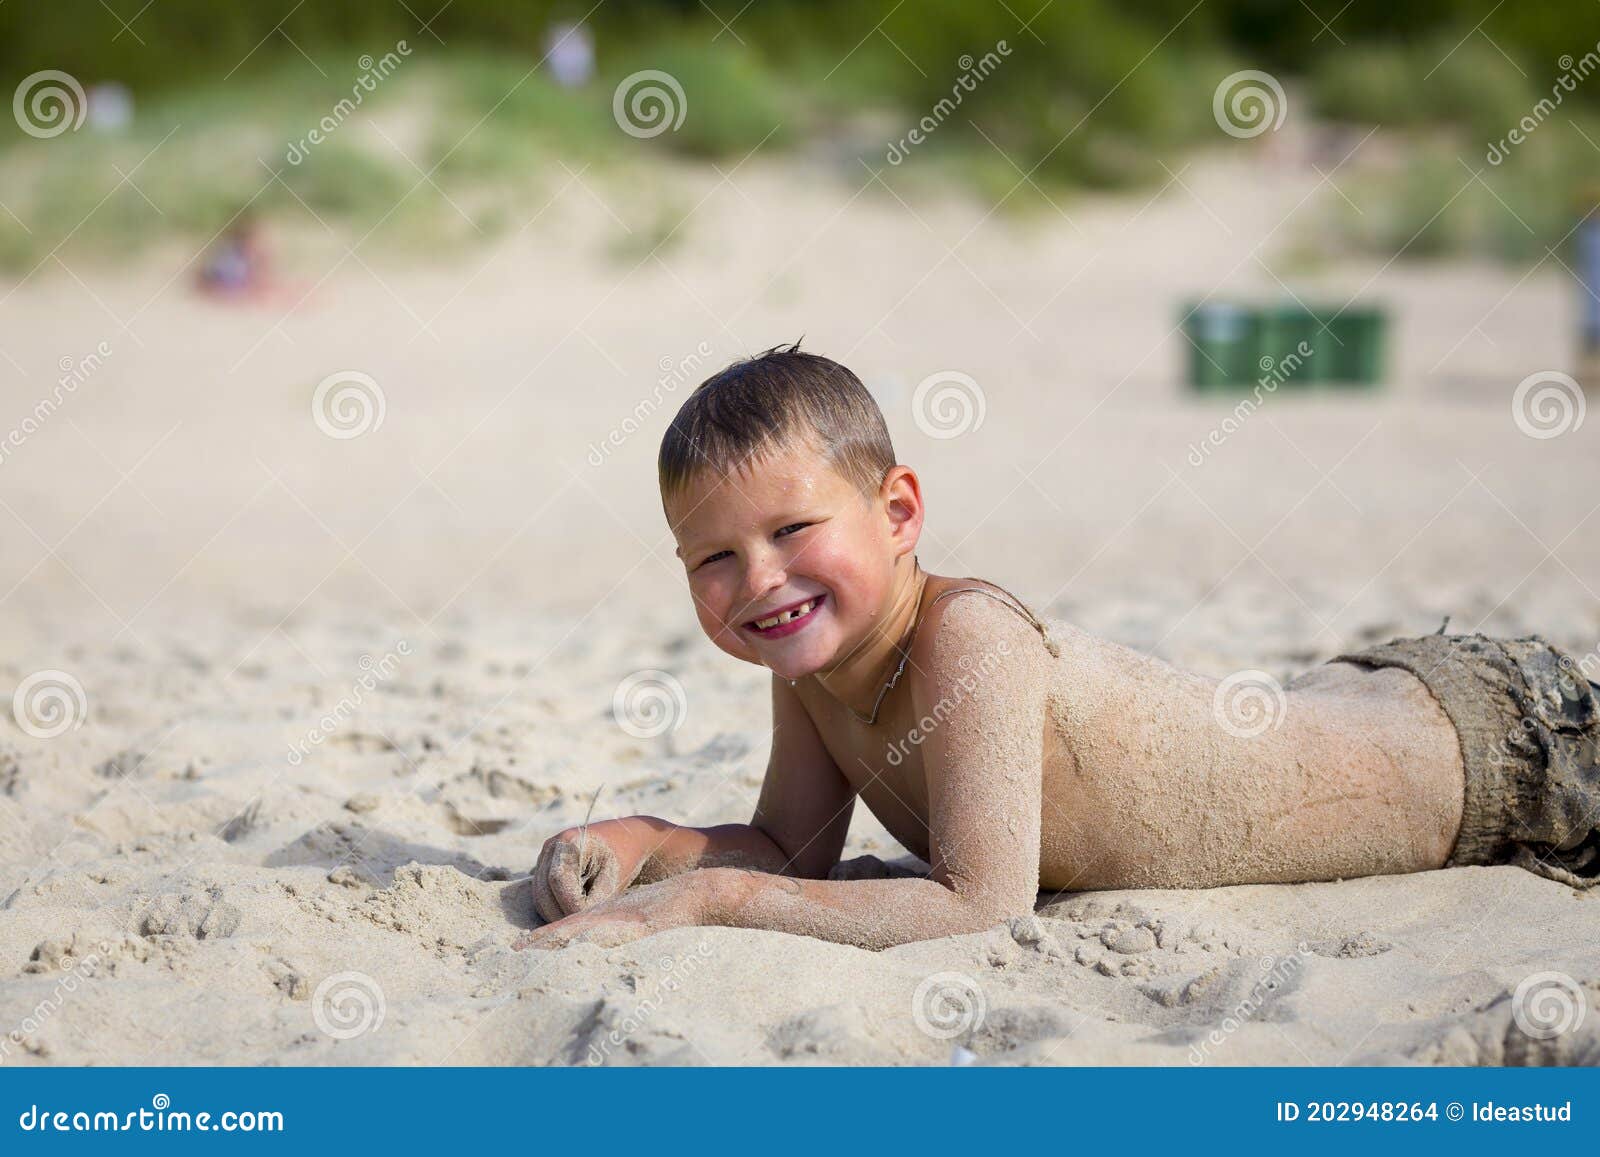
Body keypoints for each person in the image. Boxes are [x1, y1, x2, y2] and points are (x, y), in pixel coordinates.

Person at [516, 344, 1600, 951]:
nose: (758, 580)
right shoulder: (814, 662)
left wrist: (713, 898)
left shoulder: (966, 636)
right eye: (713, 557)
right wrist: (641, 839)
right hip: (1355, 699)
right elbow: (788, 849)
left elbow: (980, 902)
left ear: (898, 512)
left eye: (794, 531)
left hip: (1490, 752)